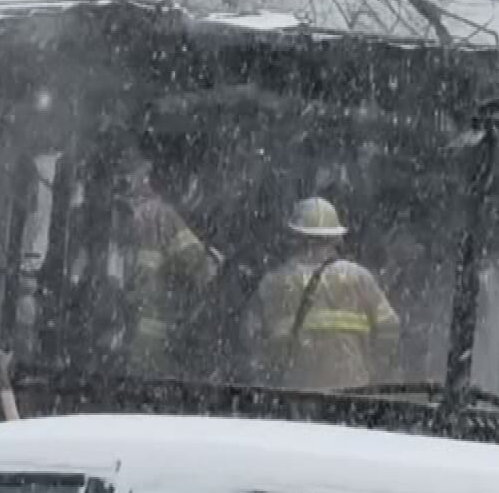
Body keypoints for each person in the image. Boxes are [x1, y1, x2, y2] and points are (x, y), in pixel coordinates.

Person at [244, 197, 401, 390]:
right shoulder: (359, 278)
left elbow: (252, 341)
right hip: (353, 394)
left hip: (295, 396)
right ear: (336, 239)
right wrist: (371, 366)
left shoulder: (272, 283)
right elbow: (390, 327)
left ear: (293, 237)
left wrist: (275, 370)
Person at [111, 163, 217, 376]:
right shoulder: (161, 217)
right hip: (148, 351)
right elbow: (205, 272)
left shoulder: (96, 211)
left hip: (112, 351)